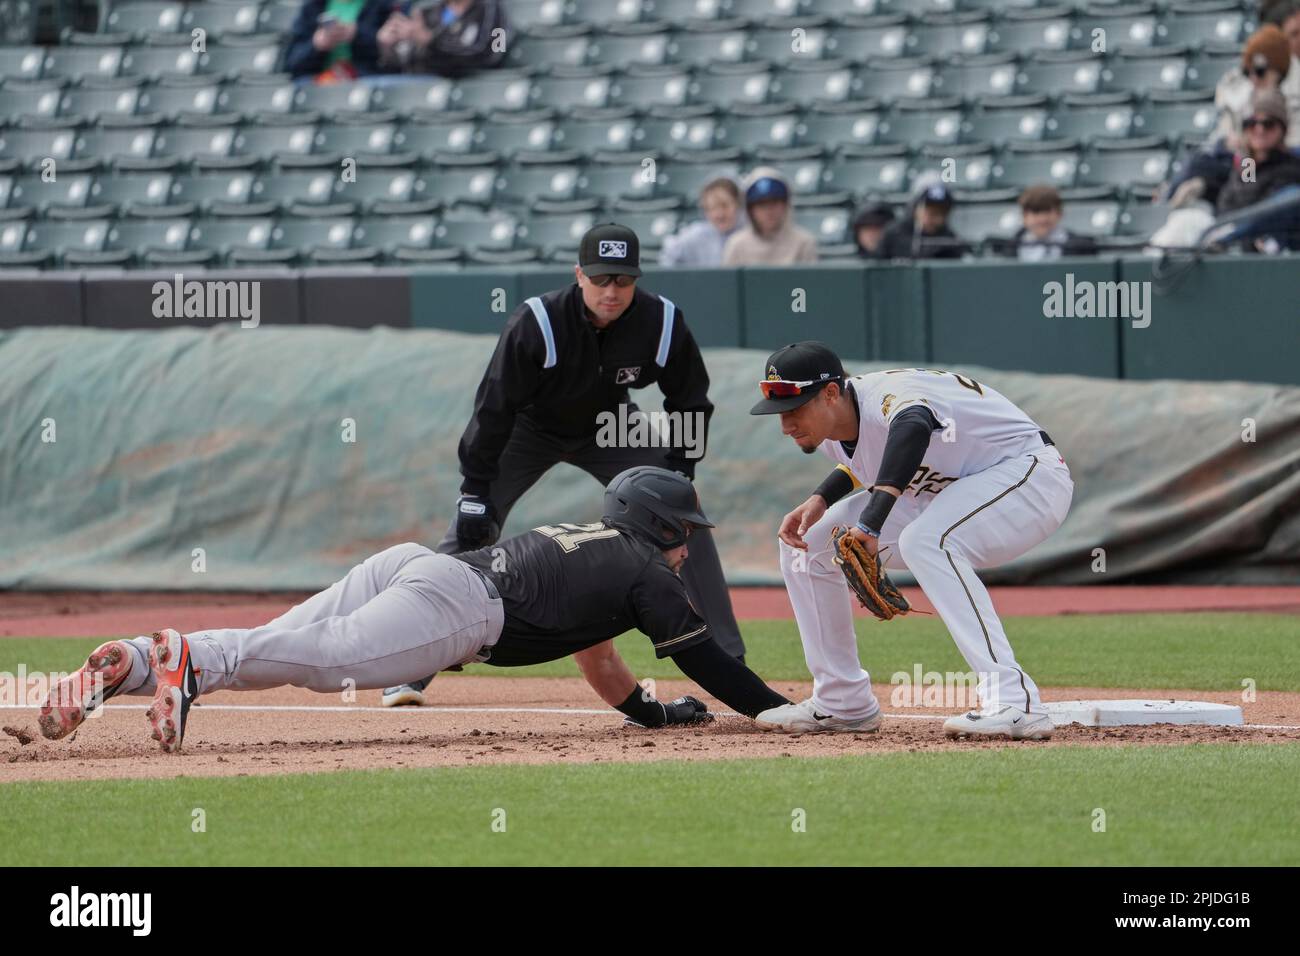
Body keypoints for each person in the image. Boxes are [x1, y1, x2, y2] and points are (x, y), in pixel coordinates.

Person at [37, 469, 790, 753]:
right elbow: (704, 658)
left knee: (288, 639)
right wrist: (773, 712)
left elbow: (595, 653)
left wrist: (652, 717)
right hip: (459, 605)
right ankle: (189, 662)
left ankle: (140, 661)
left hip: (420, 565)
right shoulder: (647, 571)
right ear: (659, 524)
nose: (689, 544)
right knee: (325, 662)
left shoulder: (597, 545)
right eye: (685, 530)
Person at [382, 223, 746, 707]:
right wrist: (475, 489)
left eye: (622, 280)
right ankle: (410, 667)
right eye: (600, 279)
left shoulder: (661, 321)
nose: (611, 291)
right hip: (528, 429)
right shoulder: (537, 321)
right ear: (579, 275)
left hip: (609, 425)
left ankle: (728, 658)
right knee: (469, 530)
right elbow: (494, 407)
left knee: (683, 516)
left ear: (637, 278)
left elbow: (691, 400)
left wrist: (682, 471)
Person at [749, 342, 1073, 739]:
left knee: (927, 540)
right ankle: (842, 701)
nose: (786, 425)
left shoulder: (890, 396)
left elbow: (913, 427)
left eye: (794, 410)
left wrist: (869, 526)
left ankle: (1015, 701)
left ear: (831, 393)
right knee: (808, 544)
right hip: (952, 491)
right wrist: (820, 497)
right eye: (780, 413)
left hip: (1028, 477)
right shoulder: (835, 426)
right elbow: (871, 456)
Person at [1215, 90, 1300, 251]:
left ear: (1282, 130)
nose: (1259, 130)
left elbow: (1266, 213)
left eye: (1268, 124)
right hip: (1240, 245)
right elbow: (1230, 203)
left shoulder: (1291, 166)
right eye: (1252, 123)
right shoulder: (1248, 164)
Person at [377, 0, 510, 77]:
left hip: (465, 82)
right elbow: (407, 60)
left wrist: (430, 41)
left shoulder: (491, 8)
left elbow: (492, 54)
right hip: (421, 80)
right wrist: (388, 47)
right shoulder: (428, 11)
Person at [721, 168, 818, 265]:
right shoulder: (736, 244)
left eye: (774, 203)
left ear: (785, 205)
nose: (769, 211)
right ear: (750, 210)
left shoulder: (803, 242)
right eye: (761, 205)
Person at [284, 0, 395, 82]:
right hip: (320, 81)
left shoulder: (382, 5)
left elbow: (395, 58)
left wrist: (357, 35)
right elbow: (292, 63)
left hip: (366, 80)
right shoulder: (312, 7)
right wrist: (316, 45)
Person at [989, 185, 1099, 260]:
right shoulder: (1008, 248)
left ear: (1059, 214)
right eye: (1036, 211)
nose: (1042, 219)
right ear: (1024, 216)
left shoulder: (1082, 247)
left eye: (1047, 211)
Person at [659, 178, 745, 267]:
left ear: (737, 204)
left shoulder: (750, 235)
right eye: (712, 208)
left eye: (725, 206)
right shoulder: (694, 236)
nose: (719, 214)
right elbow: (667, 261)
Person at [874, 184, 966, 260]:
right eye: (930, 211)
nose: (934, 218)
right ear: (916, 209)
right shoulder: (895, 233)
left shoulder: (950, 240)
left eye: (941, 213)